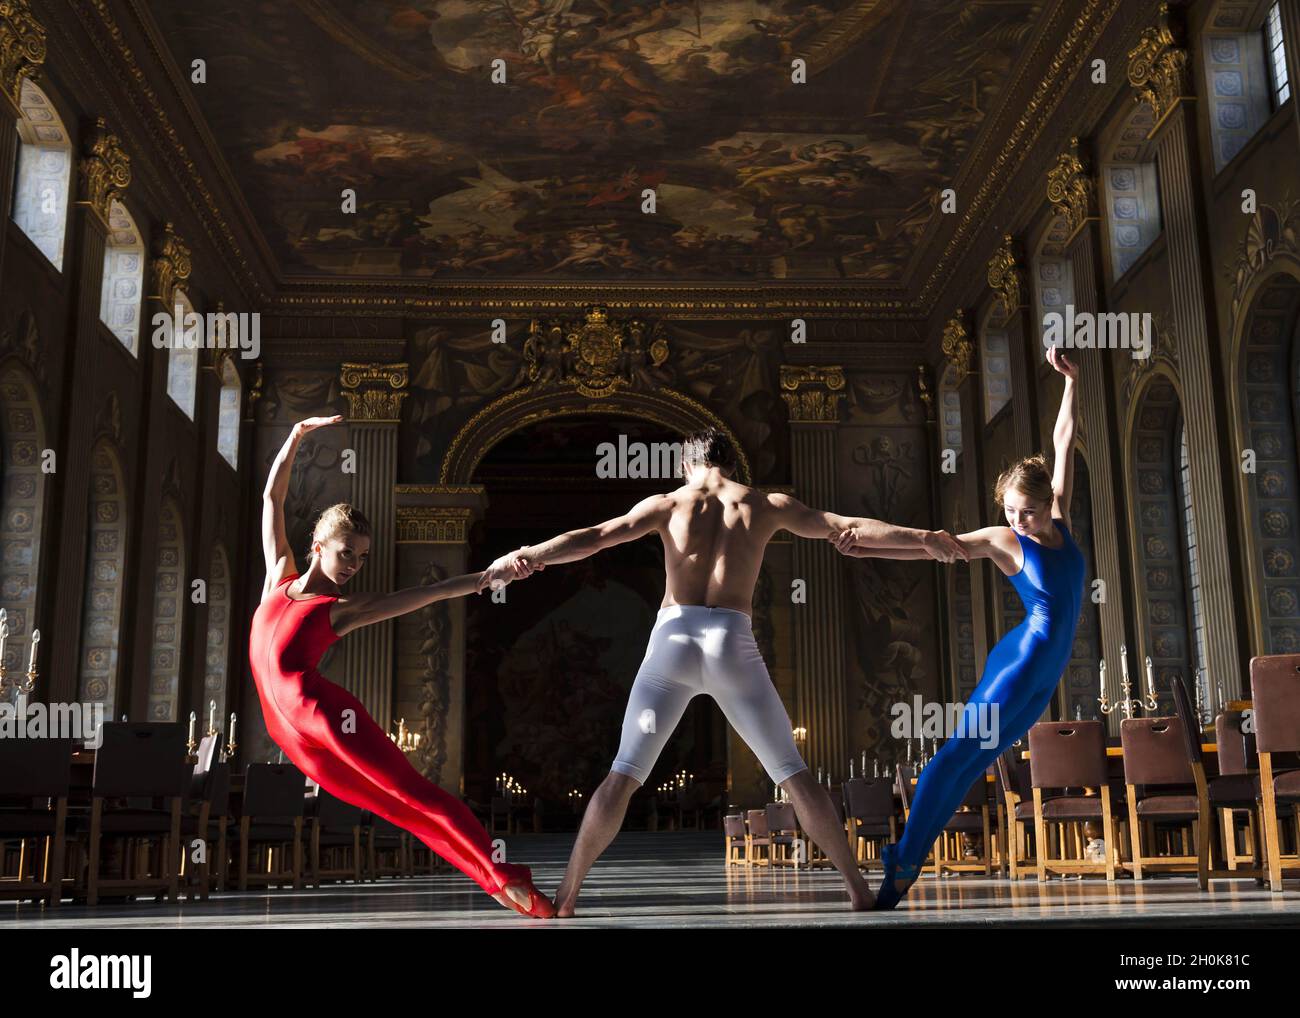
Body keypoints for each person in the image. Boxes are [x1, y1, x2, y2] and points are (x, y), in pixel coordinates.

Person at [482, 427, 967, 916]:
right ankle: (857, 890)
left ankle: (566, 897)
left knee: (622, 775)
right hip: (732, 643)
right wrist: (927, 539)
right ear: (732, 465)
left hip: (673, 641)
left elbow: (595, 539)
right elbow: (845, 525)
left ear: (685, 464)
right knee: (794, 774)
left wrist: (528, 556)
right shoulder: (764, 504)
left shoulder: (667, 503)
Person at [249, 415, 553, 917]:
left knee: (412, 793)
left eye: (362, 559)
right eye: (347, 553)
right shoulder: (277, 576)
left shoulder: (339, 610)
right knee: (394, 809)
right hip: (291, 737)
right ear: (318, 546)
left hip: (322, 716)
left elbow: (425, 593)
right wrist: (296, 436)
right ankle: (497, 884)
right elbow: (271, 501)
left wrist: (488, 577)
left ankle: (503, 878)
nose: (353, 566)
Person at [834, 346, 1084, 909]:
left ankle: (904, 863)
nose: (1018, 521)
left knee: (975, 762)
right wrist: (867, 544)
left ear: (1048, 502)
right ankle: (903, 862)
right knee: (955, 756)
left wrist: (1072, 381)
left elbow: (1064, 438)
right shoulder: (1003, 541)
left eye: (1027, 512)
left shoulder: (1060, 517)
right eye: (1011, 512)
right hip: (1020, 664)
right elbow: (931, 545)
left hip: (1045, 674)